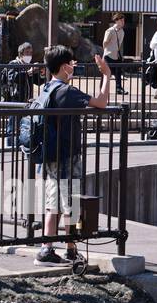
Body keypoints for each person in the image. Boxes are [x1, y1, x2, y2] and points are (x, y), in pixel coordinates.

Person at [34, 46, 112, 264]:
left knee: (54, 203)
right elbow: (101, 103)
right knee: (70, 203)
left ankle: (47, 248)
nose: (74, 66)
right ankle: (69, 248)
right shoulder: (67, 91)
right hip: (67, 154)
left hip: (51, 155)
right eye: (71, 63)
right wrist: (106, 75)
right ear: (63, 67)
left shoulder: (47, 88)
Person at [101, 13, 127, 95]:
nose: (123, 22)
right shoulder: (110, 30)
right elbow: (104, 43)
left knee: (118, 73)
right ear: (116, 21)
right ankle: (102, 89)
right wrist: (105, 53)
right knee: (106, 73)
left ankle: (119, 89)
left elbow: (119, 45)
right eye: (121, 20)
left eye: (123, 20)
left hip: (116, 55)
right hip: (108, 55)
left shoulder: (122, 32)